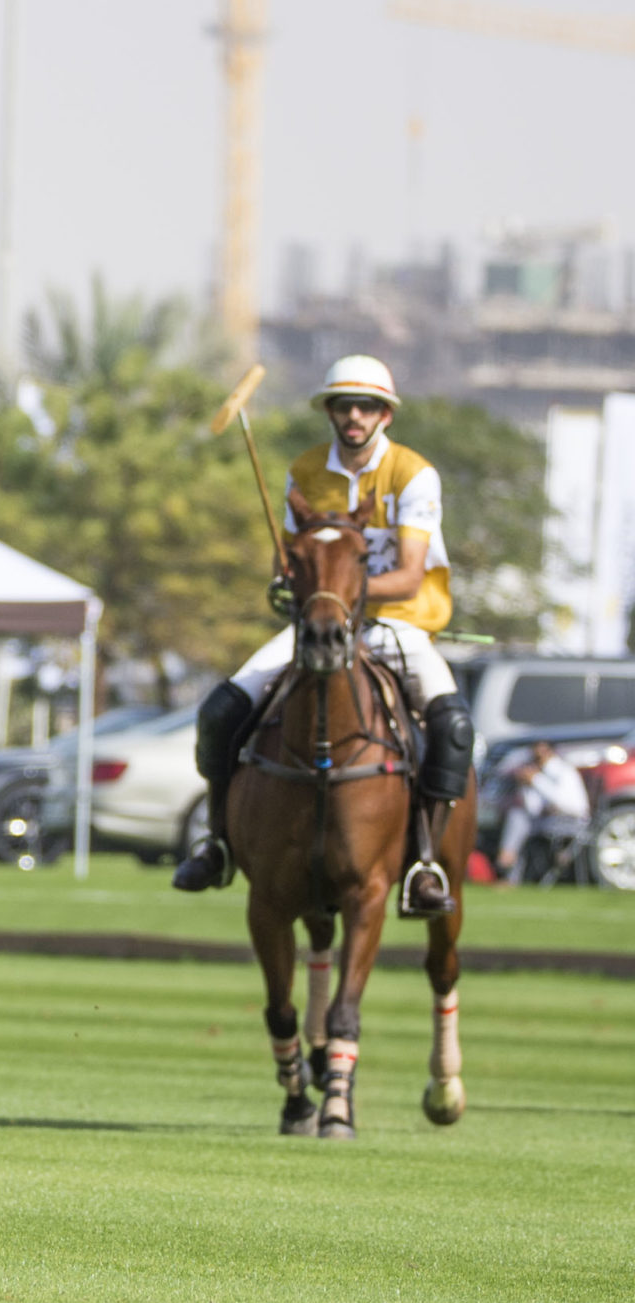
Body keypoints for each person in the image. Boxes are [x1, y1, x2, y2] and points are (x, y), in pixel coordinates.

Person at [172, 354, 473, 914]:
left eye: (366, 406)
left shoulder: (412, 473)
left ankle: (426, 861)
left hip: (396, 624)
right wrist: (292, 585)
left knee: (453, 726)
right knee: (221, 711)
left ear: (385, 414)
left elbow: (409, 574)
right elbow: (286, 560)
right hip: (316, 627)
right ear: (330, 411)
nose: (354, 415)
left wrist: (338, 593)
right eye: (344, 404)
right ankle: (216, 841)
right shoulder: (306, 471)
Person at [497, 740, 590, 883]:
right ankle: (507, 868)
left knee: (519, 821)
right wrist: (525, 786)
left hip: (569, 821)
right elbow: (533, 808)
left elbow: (570, 805)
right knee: (517, 817)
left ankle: (506, 868)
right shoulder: (536, 772)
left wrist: (536, 780)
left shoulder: (564, 772)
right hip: (545, 821)